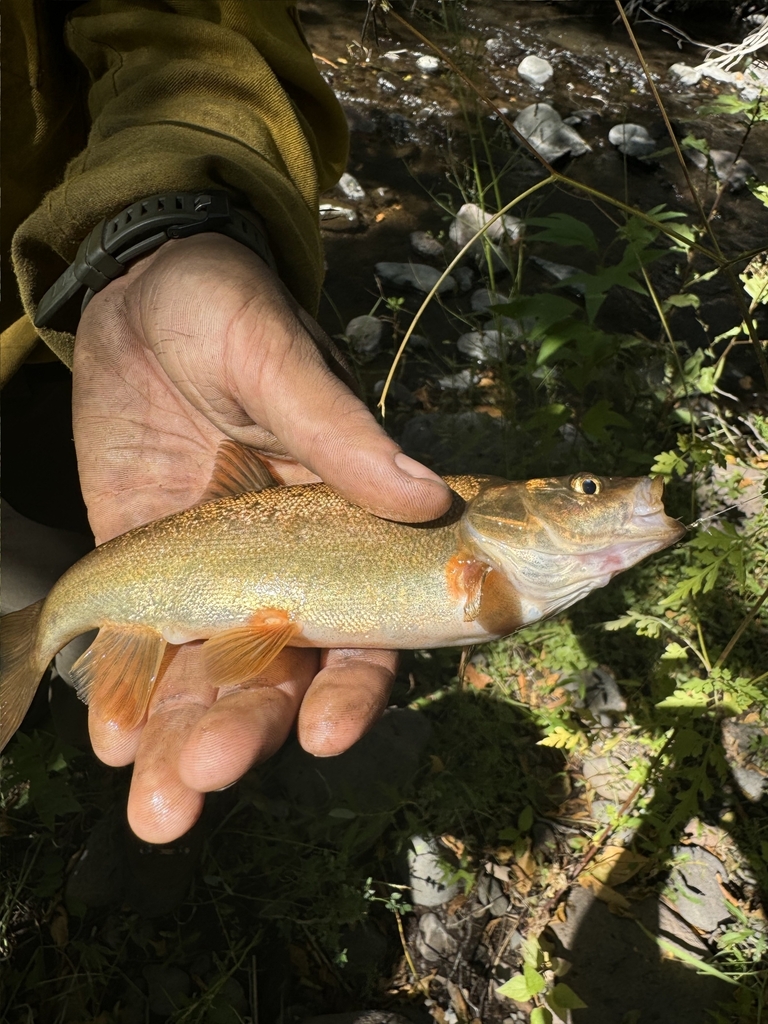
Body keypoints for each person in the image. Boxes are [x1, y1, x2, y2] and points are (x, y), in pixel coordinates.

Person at [3, 0, 452, 844]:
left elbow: (186, 34)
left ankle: (151, 845)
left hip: (76, 345)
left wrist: (159, 229)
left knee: (153, 716)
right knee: (103, 681)